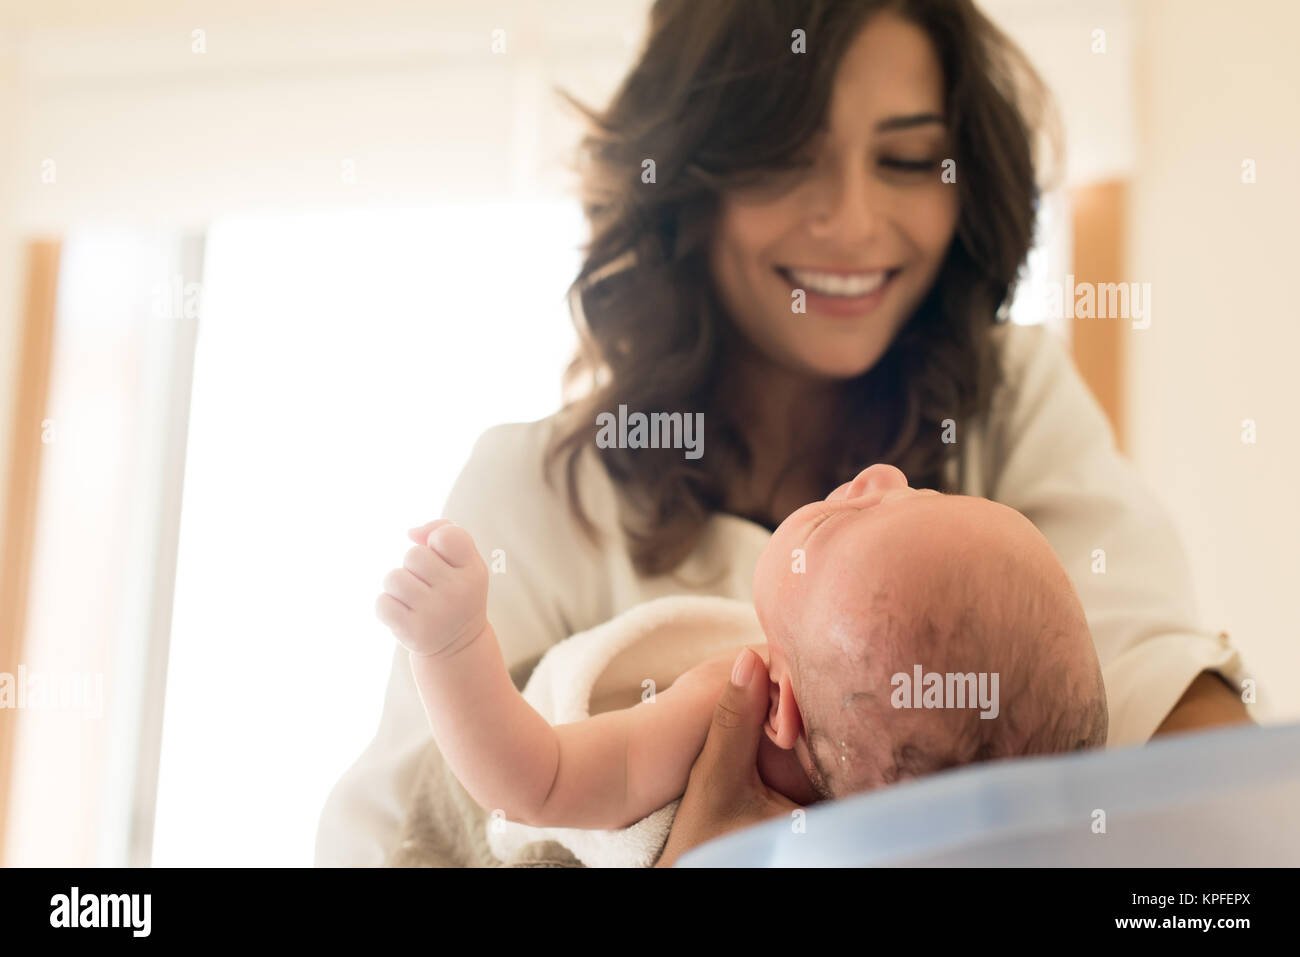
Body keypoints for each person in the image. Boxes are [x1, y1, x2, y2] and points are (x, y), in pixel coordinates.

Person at [316, 0, 1251, 867]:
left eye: (907, 158)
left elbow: (1171, 724)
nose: (851, 220)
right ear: (690, 179)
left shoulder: (1010, 401)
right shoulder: (531, 491)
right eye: (787, 157)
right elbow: (417, 827)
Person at [375, 463, 1106, 854]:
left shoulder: (725, 701)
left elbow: (538, 779)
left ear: (777, 701)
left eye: (834, 524)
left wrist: (453, 643)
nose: (879, 475)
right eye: (926, 491)